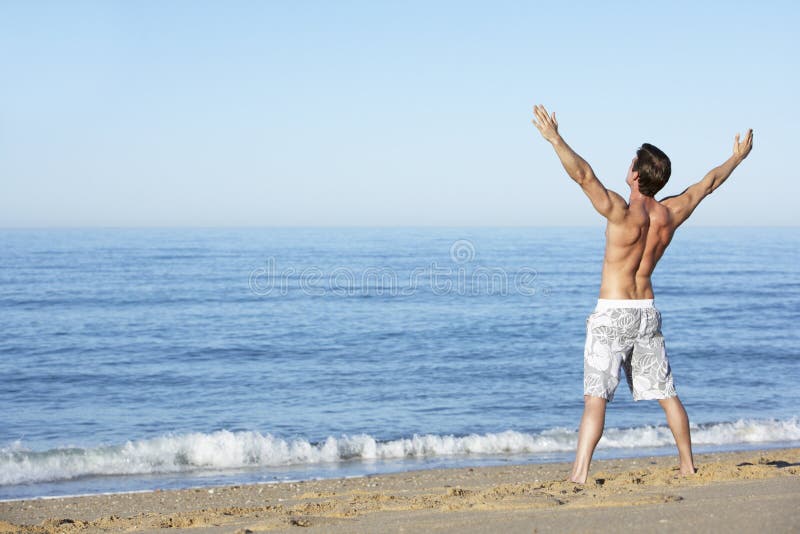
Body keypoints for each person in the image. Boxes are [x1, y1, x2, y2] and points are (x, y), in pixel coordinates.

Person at [531, 104, 753, 483]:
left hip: (612, 312)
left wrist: (555, 138)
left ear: (635, 174)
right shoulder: (670, 214)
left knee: (595, 397)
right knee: (667, 393)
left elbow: (583, 176)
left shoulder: (620, 211)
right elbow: (708, 184)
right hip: (646, 312)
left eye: (631, 163)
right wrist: (736, 157)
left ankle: (579, 475)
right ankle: (687, 464)